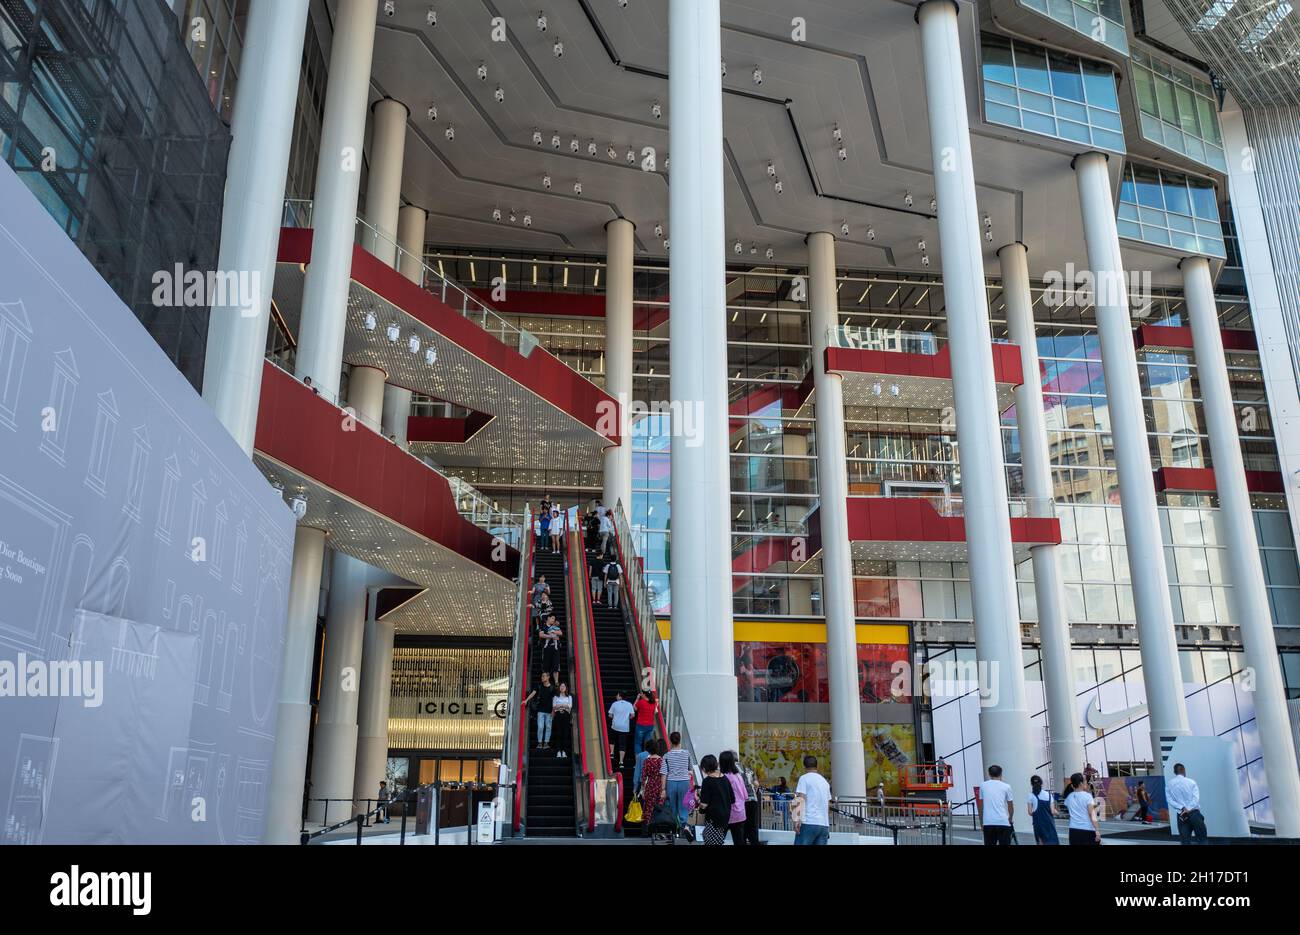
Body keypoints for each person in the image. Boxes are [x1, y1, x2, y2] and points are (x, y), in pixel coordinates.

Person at [696, 754, 735, 845]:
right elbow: (732, 799)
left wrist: (698, 802)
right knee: (717, 840)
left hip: (713, 818)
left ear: (704, 768)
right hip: (726, 816)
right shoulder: (725, 778)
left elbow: (704, 804)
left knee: (710, 840)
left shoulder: (707, 781)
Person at [662, 731, 693, 839]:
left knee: (672, 807)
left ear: (670, 741)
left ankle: (673, 829)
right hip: (684, 782)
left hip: (671, 782)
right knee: (684, 806)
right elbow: (690, 769)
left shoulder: (666, 755)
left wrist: (663, 789)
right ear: (679, 740)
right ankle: (684, 827)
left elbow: (664, 773)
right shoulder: (687, 753)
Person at [794, 755, 832, 845]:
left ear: (804, 767)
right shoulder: (824, 782)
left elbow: (800, 798)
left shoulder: (804, 778)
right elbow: (828, 805)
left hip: (808, 822)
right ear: (817, 766)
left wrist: (796, 820)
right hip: (823, 825)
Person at [1167, 763, 1208, 844]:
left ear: (1174, 772)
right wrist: (1188, 808)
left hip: (1181, 815)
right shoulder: (1191, 782)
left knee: (1185, 841)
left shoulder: (1169, 784)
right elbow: (1195, 799)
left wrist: (1182, 808)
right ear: (1183, 770)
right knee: (1202, 839)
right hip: (1194, 813)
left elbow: (1169, 800)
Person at [719, 750, 750, 845]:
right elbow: (745, 795)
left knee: (717, 839)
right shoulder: (738, 775)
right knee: (739, 840)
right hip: (741, 812)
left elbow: (724, 797)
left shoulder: (725, 777)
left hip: (730, 813)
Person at [980, 764, 1015, 845]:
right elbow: (1010, 806)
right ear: (1001, 774)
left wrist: (982, 822)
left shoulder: (983, 785)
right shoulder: (1007, 787)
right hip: (1003, 821)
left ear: (989, 774)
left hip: (988, 822)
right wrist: (1010, 818)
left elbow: (981, 806)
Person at [1064, 772, 1101, 845]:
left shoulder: (1069, 797)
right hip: (1087, 829)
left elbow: (1077, 809)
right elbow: (1091, 814)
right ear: (1081, 783)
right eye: (1085, 781)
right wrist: (1097, 830)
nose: (1086, 783)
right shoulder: (1087, 796)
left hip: (1073, 830)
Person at [521, 671, 555, 750]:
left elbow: (554, 699)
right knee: (540, 727)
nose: (542, 678)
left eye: (543, 676)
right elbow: (533, 693)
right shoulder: (539, 686)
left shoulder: (552, 688)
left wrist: (553, 710)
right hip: (540, 710)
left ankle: (546, 743)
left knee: (548, 727)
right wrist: (526, 700)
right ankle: (540, 743)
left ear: (548, 677)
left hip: (549, 711)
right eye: (542, 676)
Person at [1027, 775, 1059, 845]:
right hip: (1049, 824)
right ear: (1041, 783)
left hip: (1038, 825)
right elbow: (1053, 811)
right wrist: (1058, 813)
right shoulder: (1048, 794)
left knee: (1040, 842)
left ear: (1031, 784)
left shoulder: (1030, 795)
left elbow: (1030, 812)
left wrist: (1036, 814)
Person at [607, 690, 635, 770]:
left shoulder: (614, 704)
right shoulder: (629, 705)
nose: (616, 696)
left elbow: (610, 715)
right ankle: (621, 762)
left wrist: (615, 717)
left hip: (615, 726)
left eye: (617, 695)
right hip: (624, 727)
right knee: (622, 744)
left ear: (620, 696)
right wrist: (627, 719)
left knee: (612, 739)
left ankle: (611, 753)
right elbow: (632, 715)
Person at [639, 738, 666, 813]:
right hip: (659, 786)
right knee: (659, 809)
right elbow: (664, 775)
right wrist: (664, 789)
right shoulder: (662, 760)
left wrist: (642, 789)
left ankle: (648, 823)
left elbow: (644, 776)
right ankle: (658, 823)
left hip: (650, 787)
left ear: (648, 749)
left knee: (648, 808)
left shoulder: (647, 761)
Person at [551, 682, 574, 758]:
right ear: (559, 688)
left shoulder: (569, 697)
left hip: (566, 716)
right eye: (561, 686)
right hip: (558, 716)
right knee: (558, 733)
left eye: (564, 686)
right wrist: (564, 705)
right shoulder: (556, 697)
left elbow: (569, 707)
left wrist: (560, 705)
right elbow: (554, 707)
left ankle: (564, 751)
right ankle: (558, 751)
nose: (562, 687)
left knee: (565, 733)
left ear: (566, 688)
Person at [633, 690, 657, 755]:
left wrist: (637, 698)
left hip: (640, 725)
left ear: (644, 694)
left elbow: (634, 708)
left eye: (642, 694)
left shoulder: (641, 702)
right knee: (648, 744)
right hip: (650, 726)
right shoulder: (654, 702)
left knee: (638, 743)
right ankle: (646, 761)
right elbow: (654, 712)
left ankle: (639, 761)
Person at [539, 617, 562, 684]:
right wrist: (551, 636)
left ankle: (556, 682)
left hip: (555, 648)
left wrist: (554, 632)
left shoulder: (555, 627)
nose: (553, 620)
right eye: (552, 618)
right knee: (546, 666)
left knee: (556, 666)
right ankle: (546, 681)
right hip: (547, 649)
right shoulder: (543, 626)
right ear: (548, 618)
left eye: (554, 619)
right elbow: (541, 635)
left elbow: (560, 633)